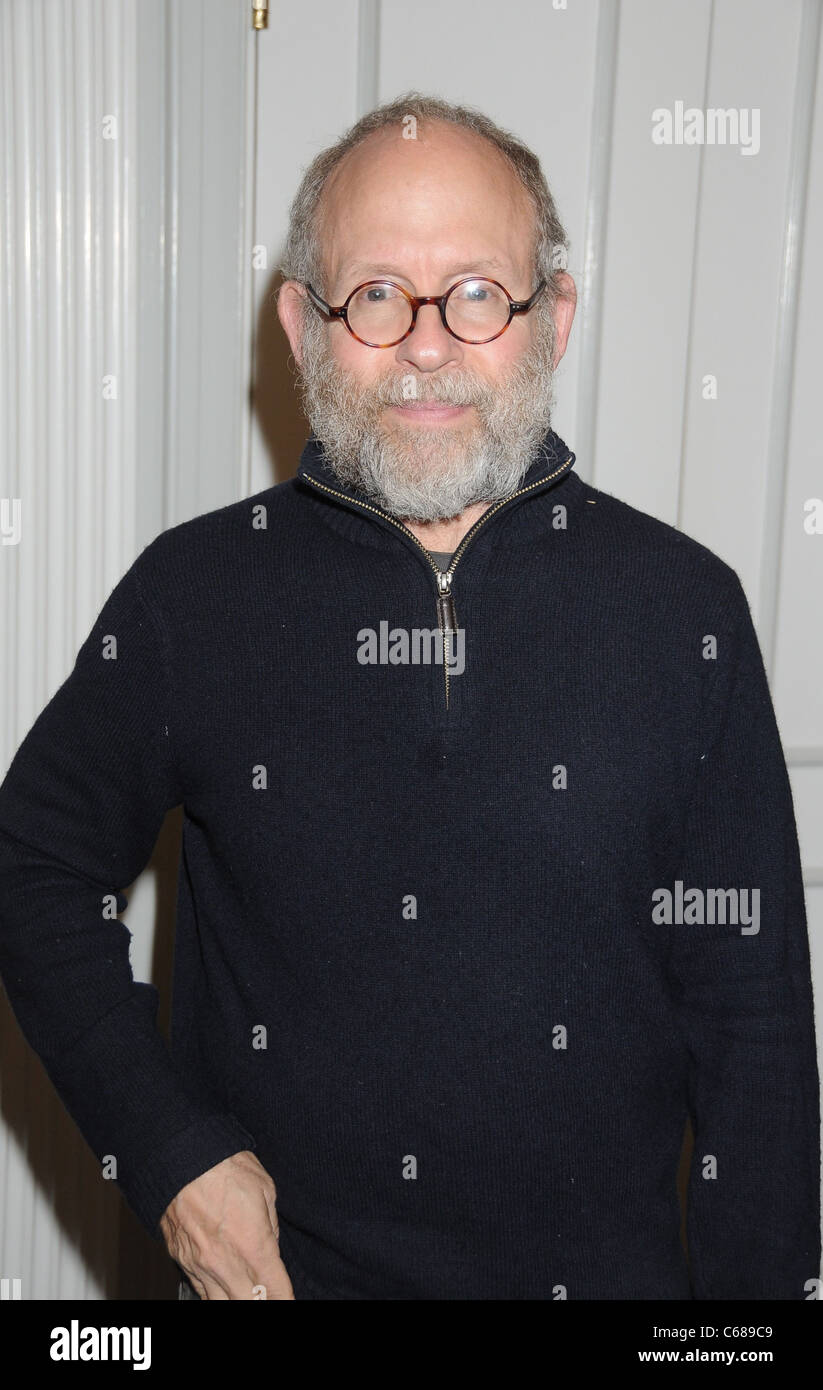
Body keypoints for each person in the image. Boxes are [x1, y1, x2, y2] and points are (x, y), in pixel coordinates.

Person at [0, 92, 819, 1302]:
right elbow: (30, 865)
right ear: (301, 324)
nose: (427, 343)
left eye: (478, 291)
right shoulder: (194, 598)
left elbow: (751, 1018)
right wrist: (173, 1159)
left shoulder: (684, 611)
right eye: (375, 293)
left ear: (556, 317)